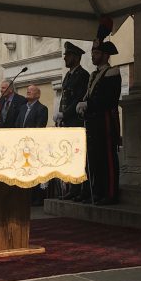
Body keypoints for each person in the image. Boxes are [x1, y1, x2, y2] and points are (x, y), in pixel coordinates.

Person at [77, 40, 122, 206]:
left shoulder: (112, 73)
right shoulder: (94, 75)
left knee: (107, 158)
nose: (93, 56)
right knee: (95, 158)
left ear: (105, 55)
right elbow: (90, 95)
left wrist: (88, 104)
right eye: (93, 53)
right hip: (94, 120)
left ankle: (110, 193)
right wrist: (83, 104)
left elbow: (108, 99)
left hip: (105, 120)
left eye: (96, 53)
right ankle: (97, 191)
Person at [57, 41, 90, 200]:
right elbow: (64, 98)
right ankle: (72, 188)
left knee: (78, 157)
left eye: (67, 55)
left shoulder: (82, 76)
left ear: (76, 57)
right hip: (67, 122)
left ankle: (80, 190)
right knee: (70, 157)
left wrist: (65, 114)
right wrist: (60, 113)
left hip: (76, 121)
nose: (65, 58)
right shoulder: (69, 76)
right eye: (65, 55)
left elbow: (77, 99)